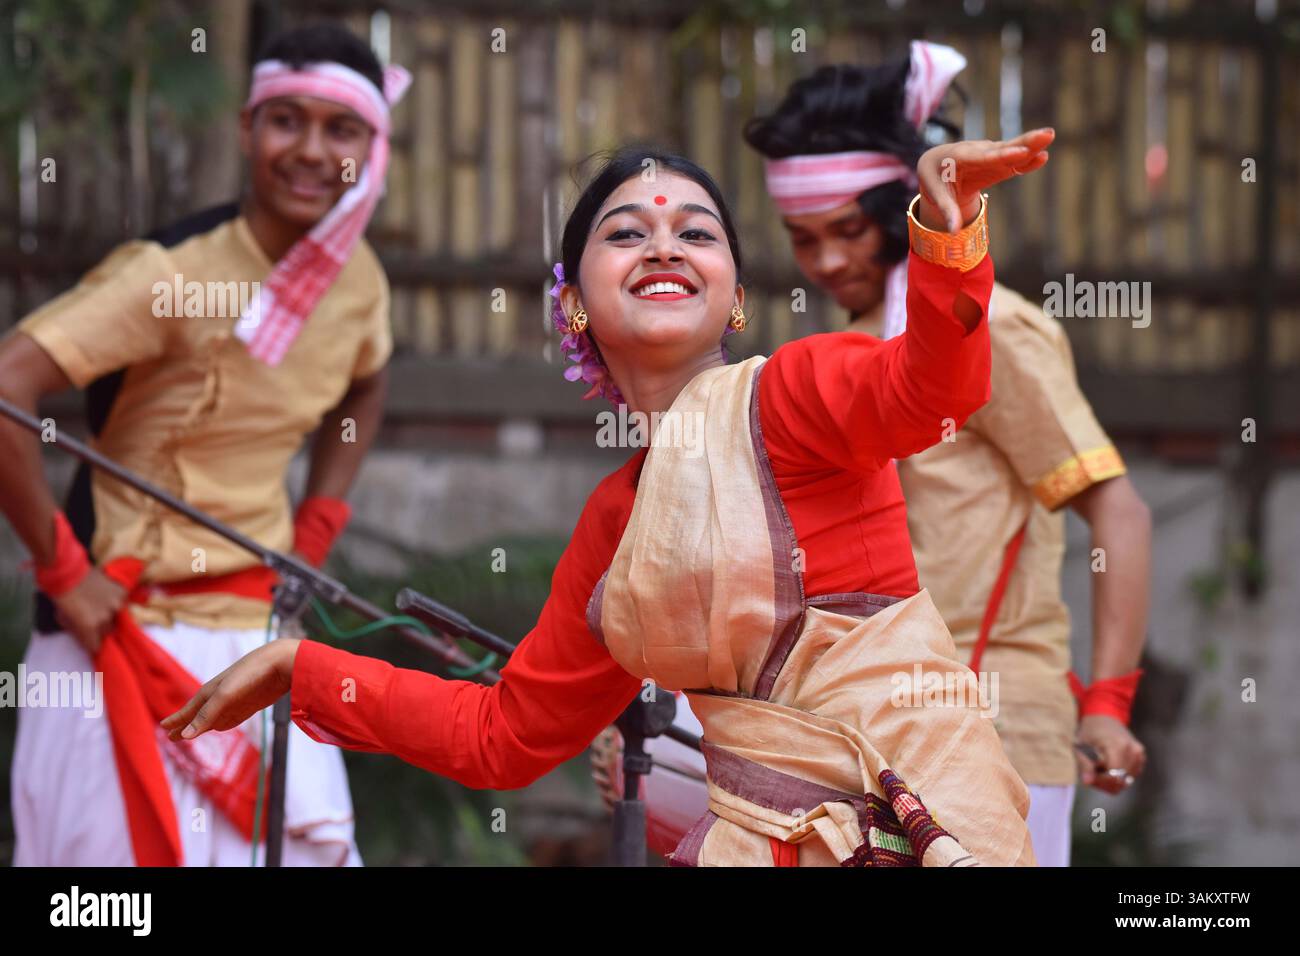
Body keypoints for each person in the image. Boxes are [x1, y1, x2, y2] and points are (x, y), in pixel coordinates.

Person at [164, 131, 1054, 866]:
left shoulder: (795, 392)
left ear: (736, 299)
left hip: (933, 820)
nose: (664, 244)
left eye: (696, 233)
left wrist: (950, 234)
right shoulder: (618, 525)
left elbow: (934, 393)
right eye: (626, 234)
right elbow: (505, 734)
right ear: (576, 306)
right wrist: (304, 668)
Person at [0, 23, 409, 866]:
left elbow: (368, 383)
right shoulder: (169, 271)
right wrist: (62, 572)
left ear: (373, 148)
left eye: (341, 130)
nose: (309, 150)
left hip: (262, 636)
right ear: (245, 131)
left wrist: (321, 522)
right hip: (123, 628)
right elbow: (8, 387)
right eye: (284, 120)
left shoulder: (360, 278)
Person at [742, 40, 1152, 866]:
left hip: (998, 724)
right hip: (876, 734)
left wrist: (1108, 700)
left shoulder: (988, 324)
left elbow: (1119, 508)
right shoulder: (848, 347)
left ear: (901, 207)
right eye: (803, 238)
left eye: (848, 231)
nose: (827, 260)